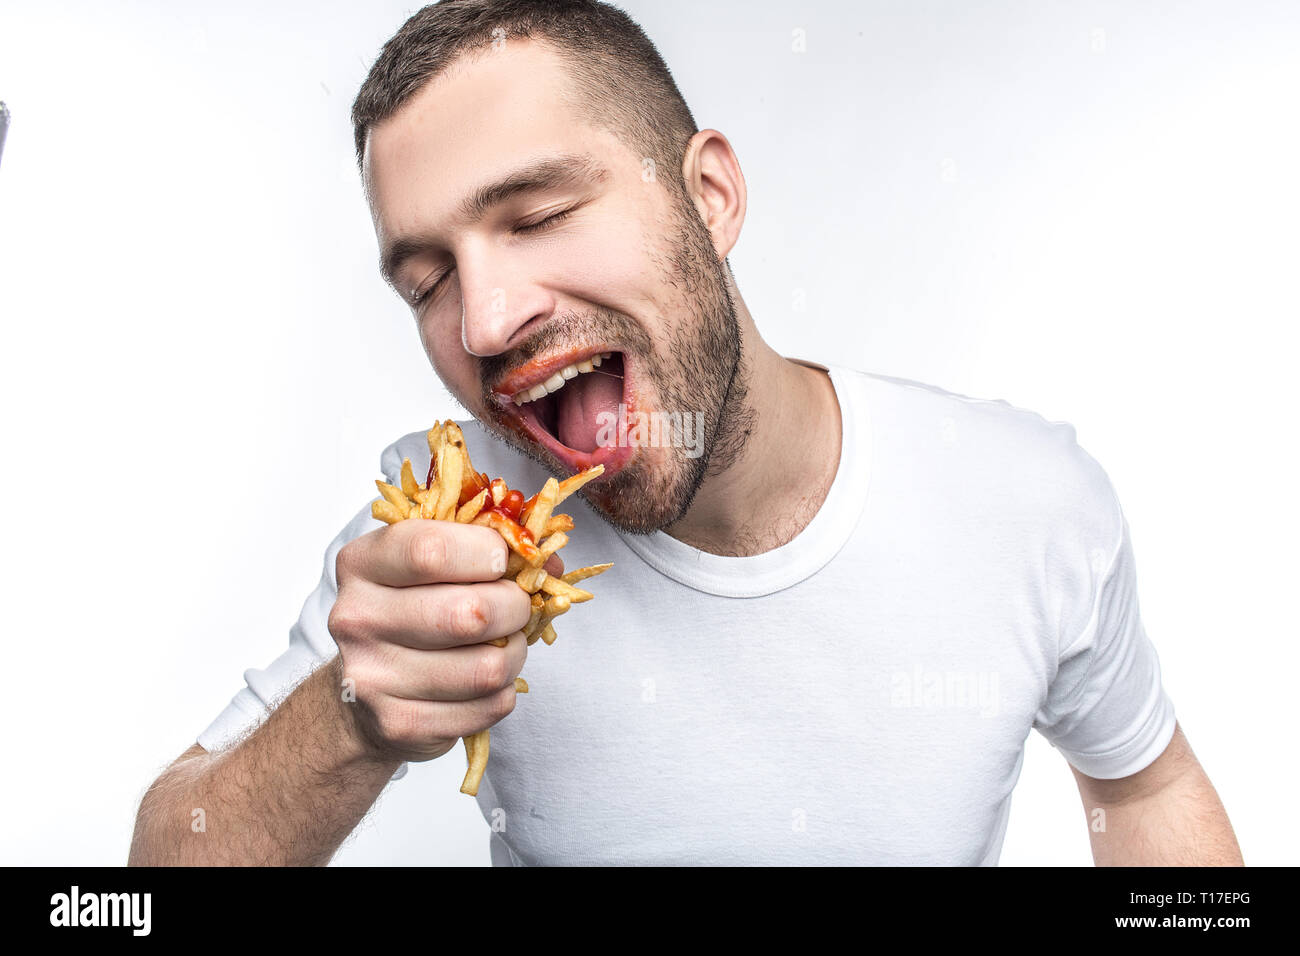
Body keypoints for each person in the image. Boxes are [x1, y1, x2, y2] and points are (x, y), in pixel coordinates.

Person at [129, 0, 1242, 866]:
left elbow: (1142, 784)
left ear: (709, 193)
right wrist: (350, 718)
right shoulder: (442, 525)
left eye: (538, 214)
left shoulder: (1028, 500)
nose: (481, 322)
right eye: (426, 280)